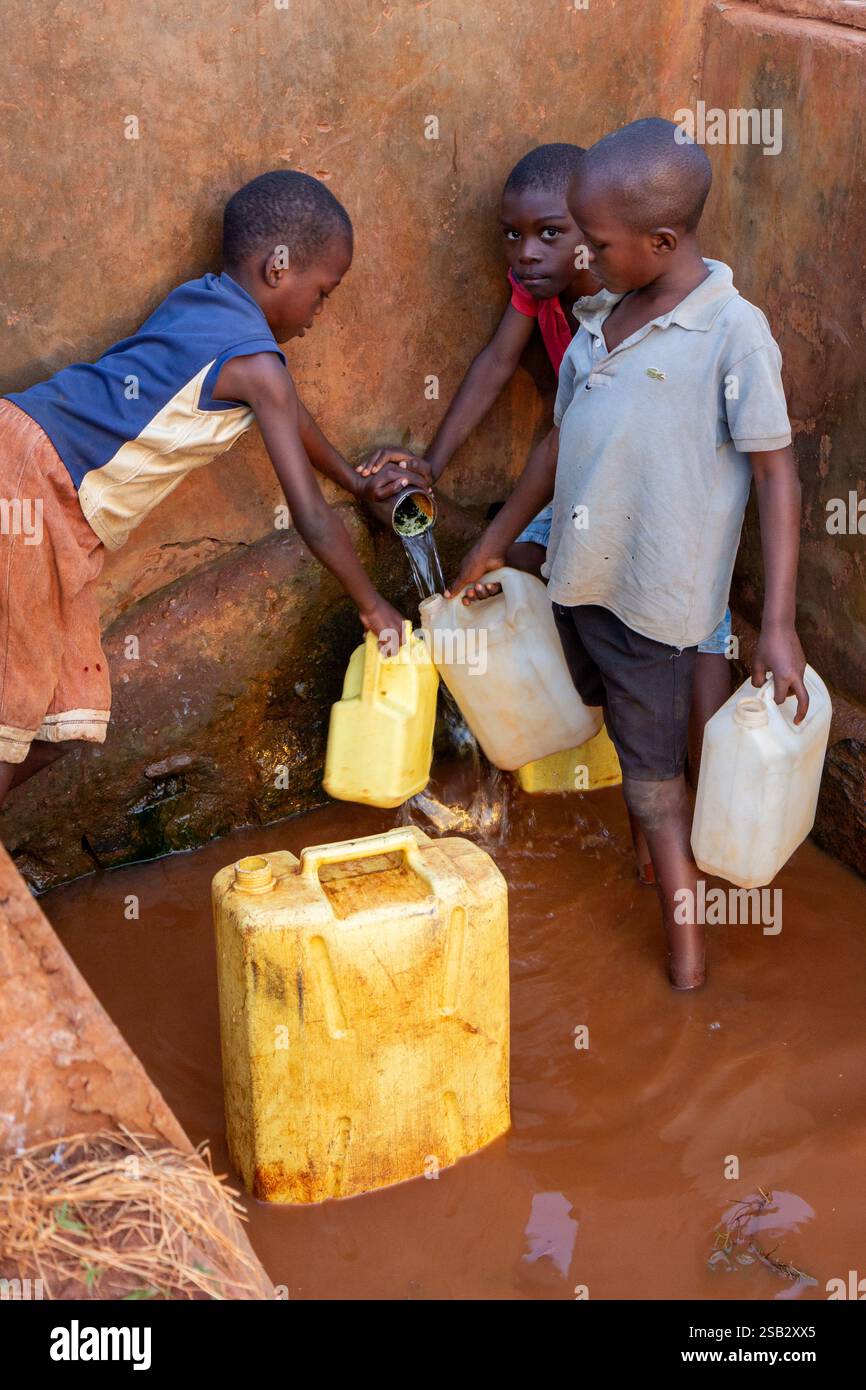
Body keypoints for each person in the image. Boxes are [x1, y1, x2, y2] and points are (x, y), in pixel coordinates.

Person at [446, 118, 808, 990]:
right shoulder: (602, 318)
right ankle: (657, 862)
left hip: (657, 609)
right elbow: (555, 447)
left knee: (652, 785)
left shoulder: (732, 335)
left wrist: (781, 626)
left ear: (661, 241)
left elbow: (778, 476)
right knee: (580, 718)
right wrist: (495, 544)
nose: (585, 260)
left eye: (596, 244)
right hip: (582, 584)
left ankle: (687, 962)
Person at [0, 170, 431, 806]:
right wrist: (373, 606)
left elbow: (292, 415)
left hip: (42, 477)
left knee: (70, 716)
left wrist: (354, 478)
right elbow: (309, 516)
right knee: (13, 712)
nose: (319, 313)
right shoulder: (257, 364)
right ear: (278, 270)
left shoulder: (203, 304)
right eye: (323, 293)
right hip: (34, 481)